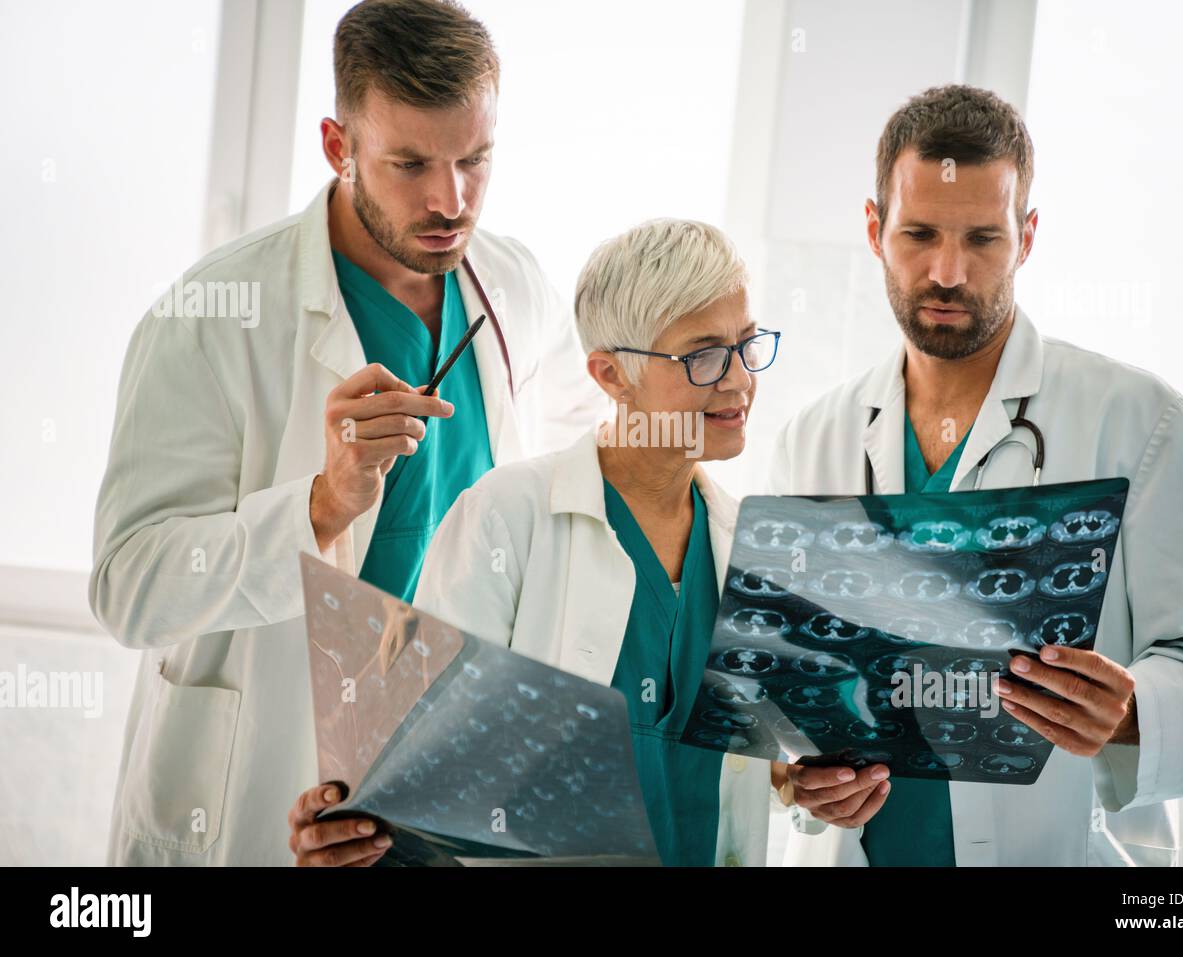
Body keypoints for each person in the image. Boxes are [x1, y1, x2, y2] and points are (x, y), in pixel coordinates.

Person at [91, 0, 603, 866]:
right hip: (270, 781)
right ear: (338, 146)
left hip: (446, 791)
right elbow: (127, 588)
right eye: (409, 163)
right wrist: (321, 507)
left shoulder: (515, 287)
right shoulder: (210, 319)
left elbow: (575, 484)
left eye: (475, 159)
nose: (451, 200)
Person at [288, 219, 891, 867]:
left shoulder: (746, 539)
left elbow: (719, 762)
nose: (740, 380)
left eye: (749, 345)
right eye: (705, 355)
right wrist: (349, 830)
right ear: (610, 374)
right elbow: (431, 773)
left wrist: (802, 785)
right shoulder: (507, 517)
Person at [769, 84, 1183, 866]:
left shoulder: (1141, 422)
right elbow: (791, 693)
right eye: (919, 234)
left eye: (984, 239)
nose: (949, 272)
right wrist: (798, 782)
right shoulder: (814, 437)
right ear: (874, 229)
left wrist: (1134, 710)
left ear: (1027, 237)